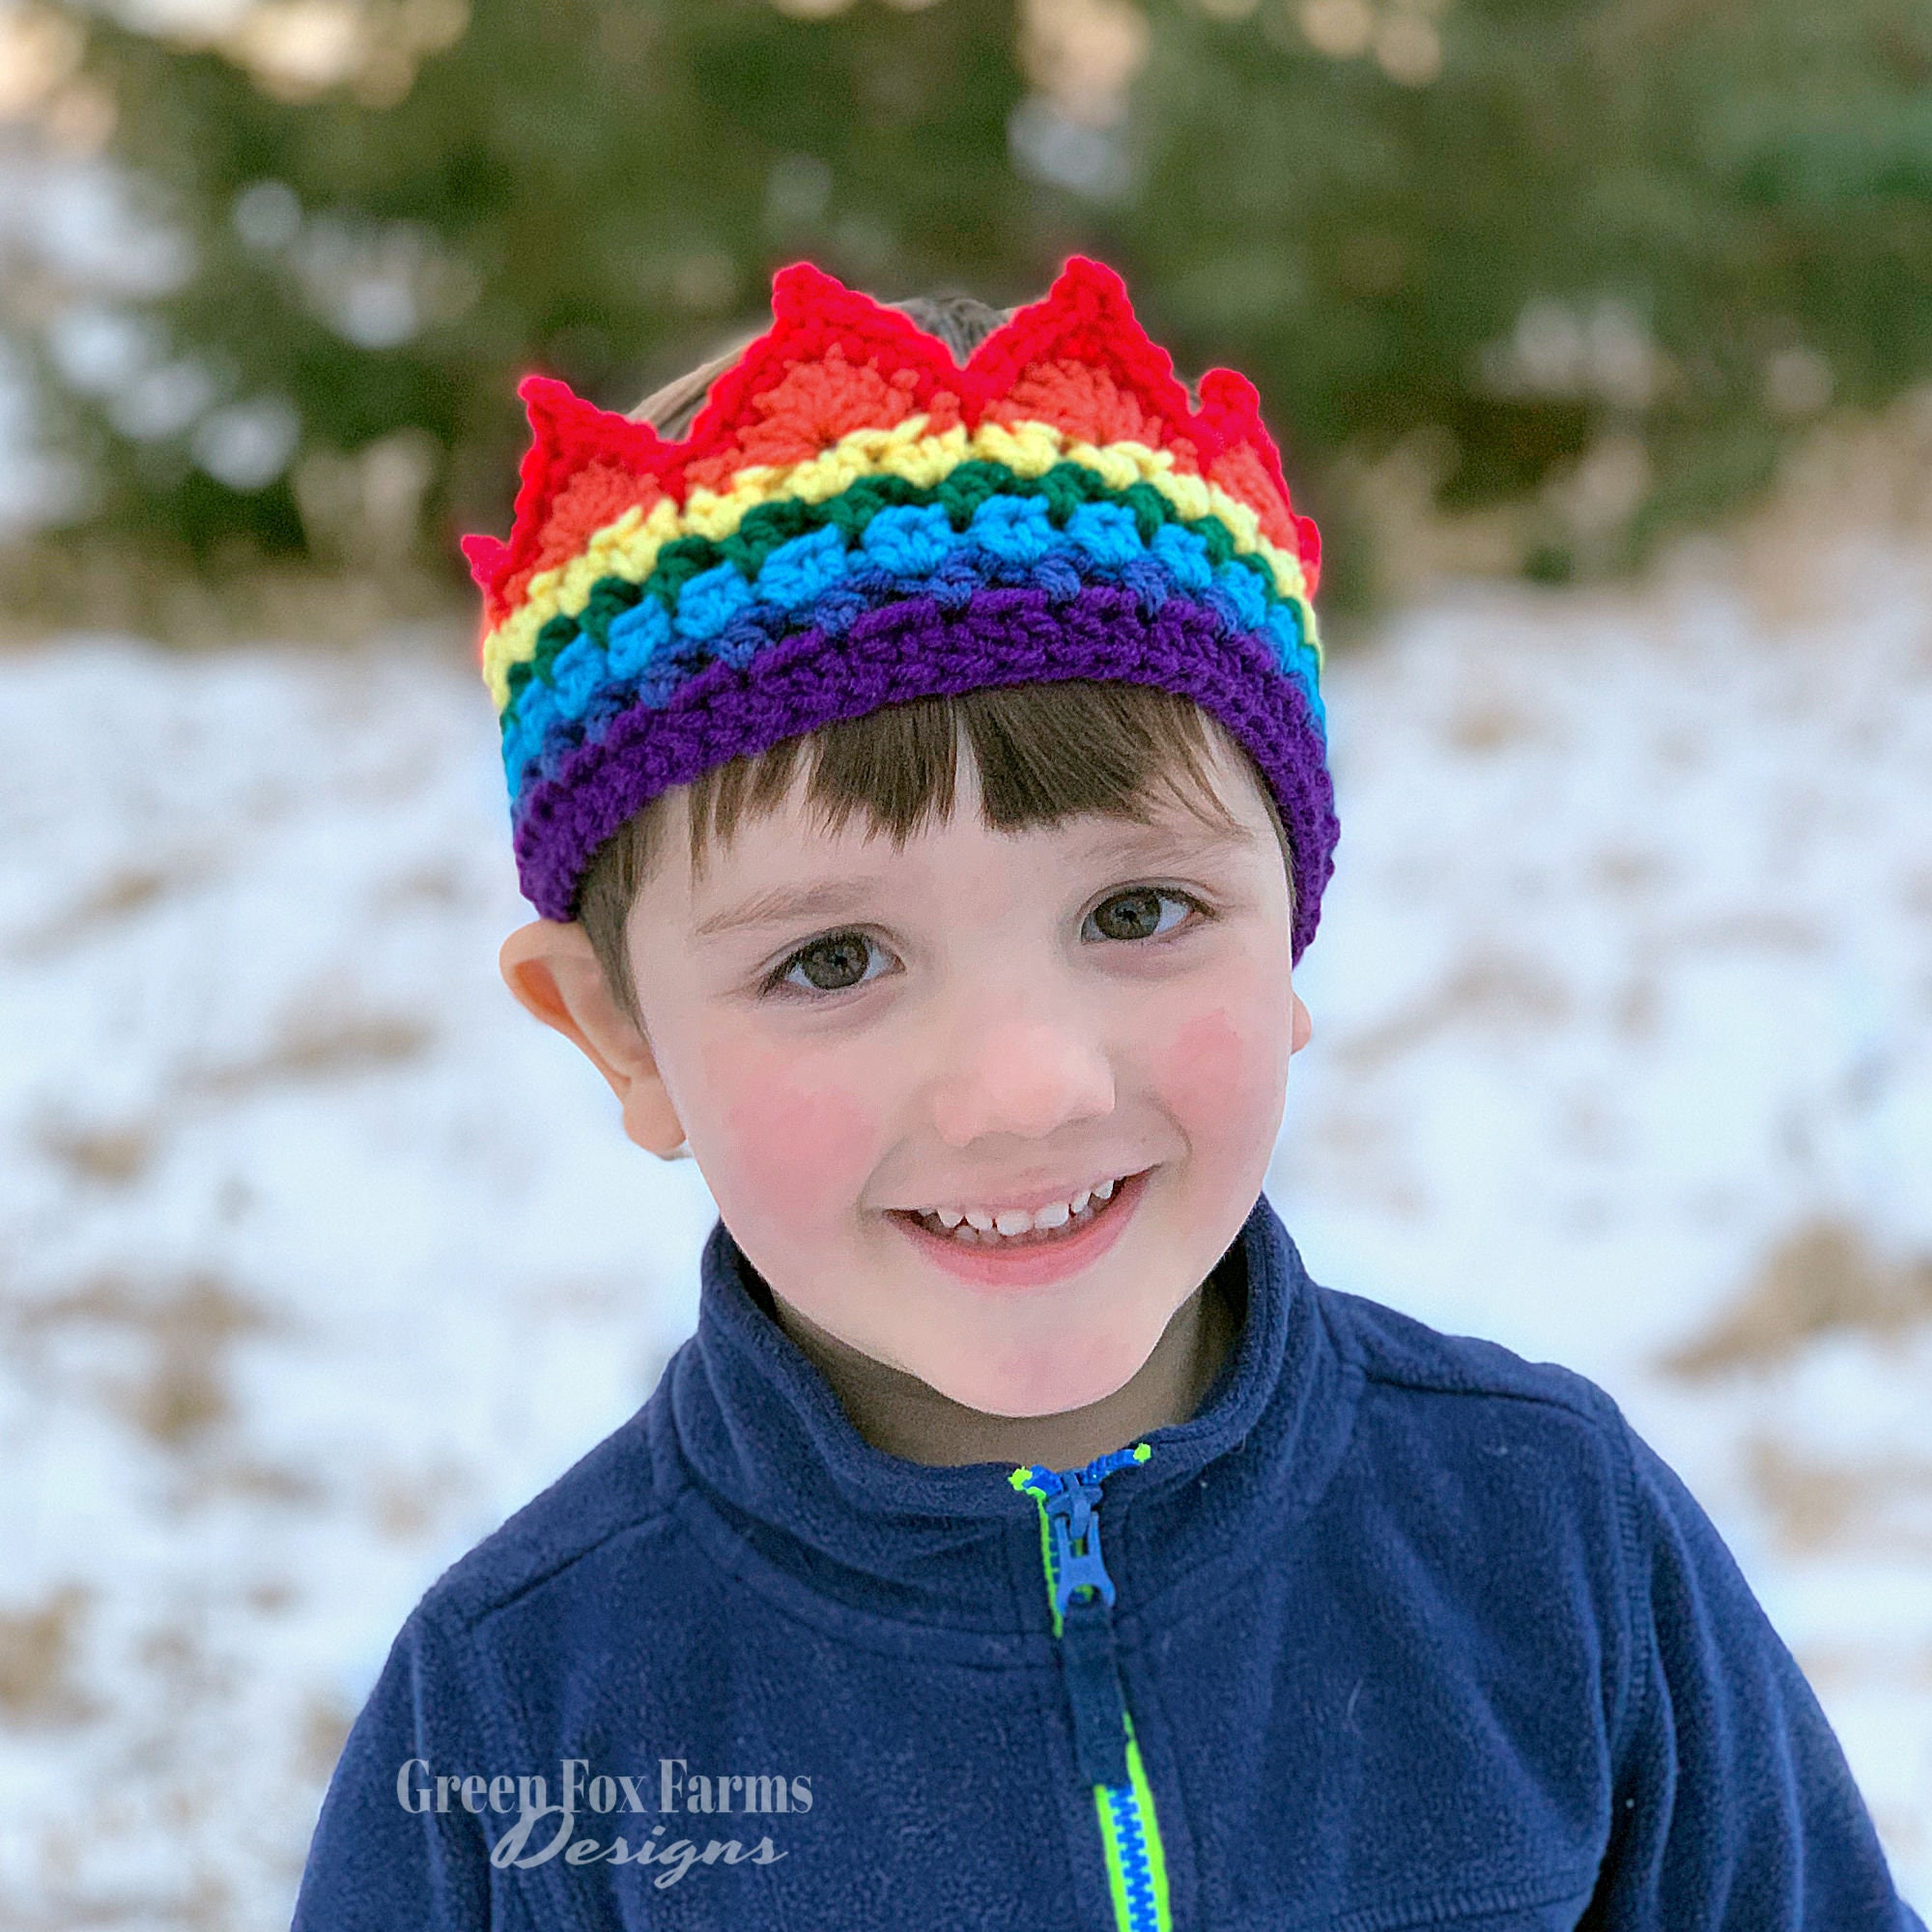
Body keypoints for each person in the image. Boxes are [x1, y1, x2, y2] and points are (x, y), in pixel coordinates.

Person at [292, 257, 1922, 1931]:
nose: (1024, 1092)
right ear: (617, 1033)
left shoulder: (1548, 1540)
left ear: (1290, 926)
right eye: (835, 961)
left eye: (1135, 915)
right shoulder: (528, 1716)